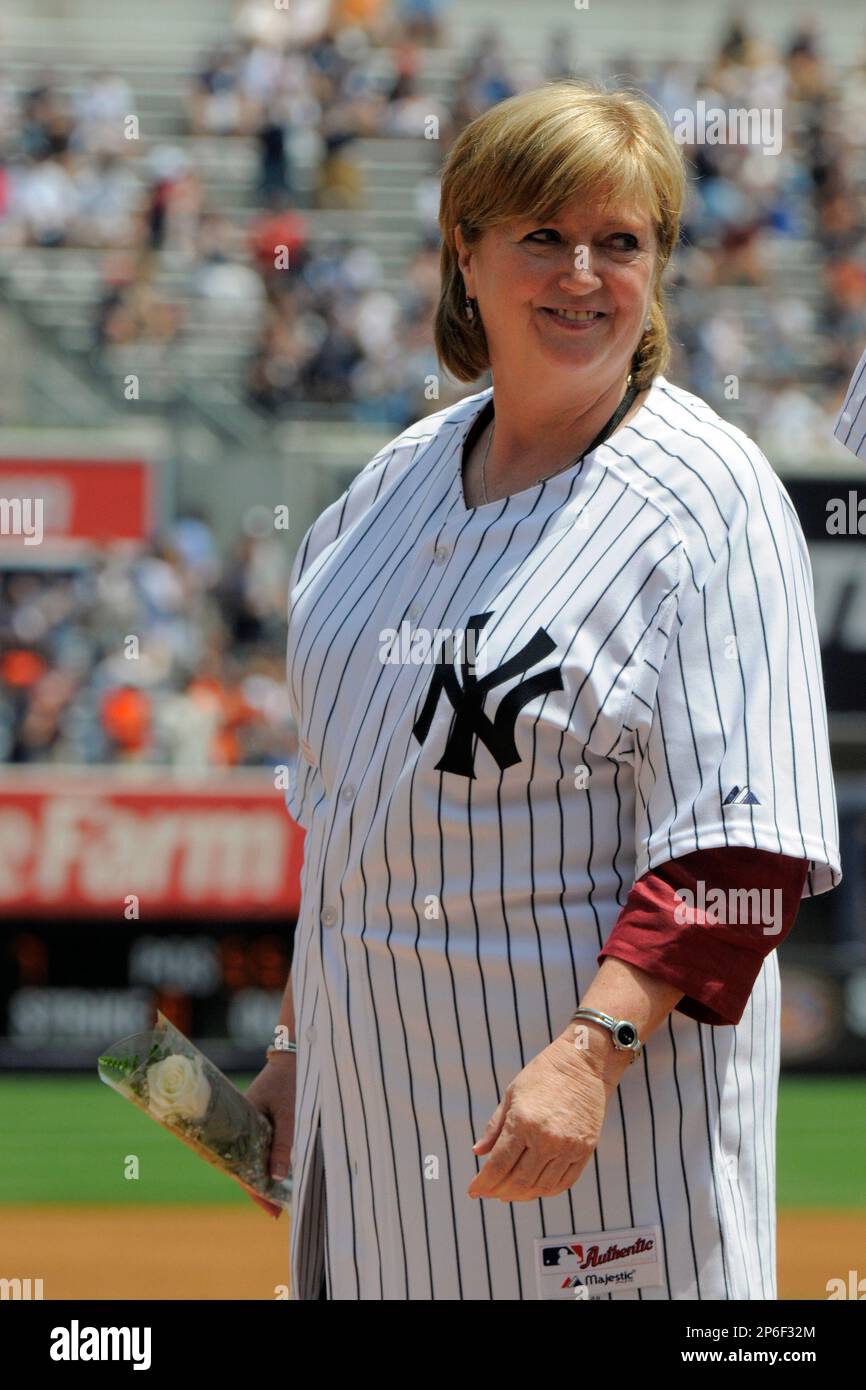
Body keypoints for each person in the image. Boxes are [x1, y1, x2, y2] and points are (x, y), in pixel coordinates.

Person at [248, 79, 841, 1300]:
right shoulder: (384, 492)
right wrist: (299, 1043)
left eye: (619, 241)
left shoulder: (708, 502)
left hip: (602, 1176)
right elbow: (350, 817)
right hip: (365, 1165)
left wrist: (593, 1049)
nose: (581, 271)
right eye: (540, 236)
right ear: (464, 254)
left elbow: (741, 854)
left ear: (657, 266)